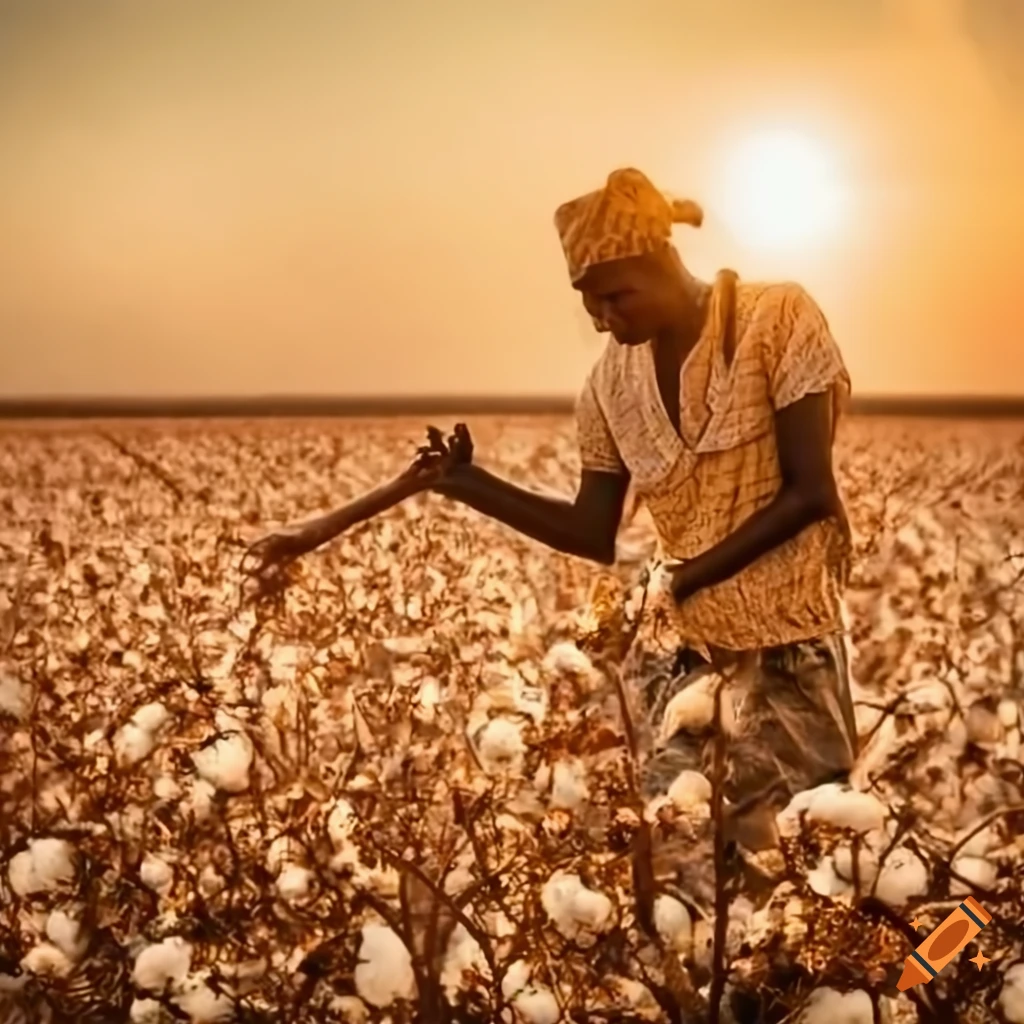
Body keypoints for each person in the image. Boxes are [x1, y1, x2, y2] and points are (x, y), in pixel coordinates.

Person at [249, 166, 858, 851]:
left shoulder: (776, 320)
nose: (603, 318)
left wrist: (682, 579)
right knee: (677, 858)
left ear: (662, 258)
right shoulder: (608, 387)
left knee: (805, 869)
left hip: (791, 653)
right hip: (686, 660)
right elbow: (590, 530)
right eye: (590, 304)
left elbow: (810, 493)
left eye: (616, 297)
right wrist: (468, 482)